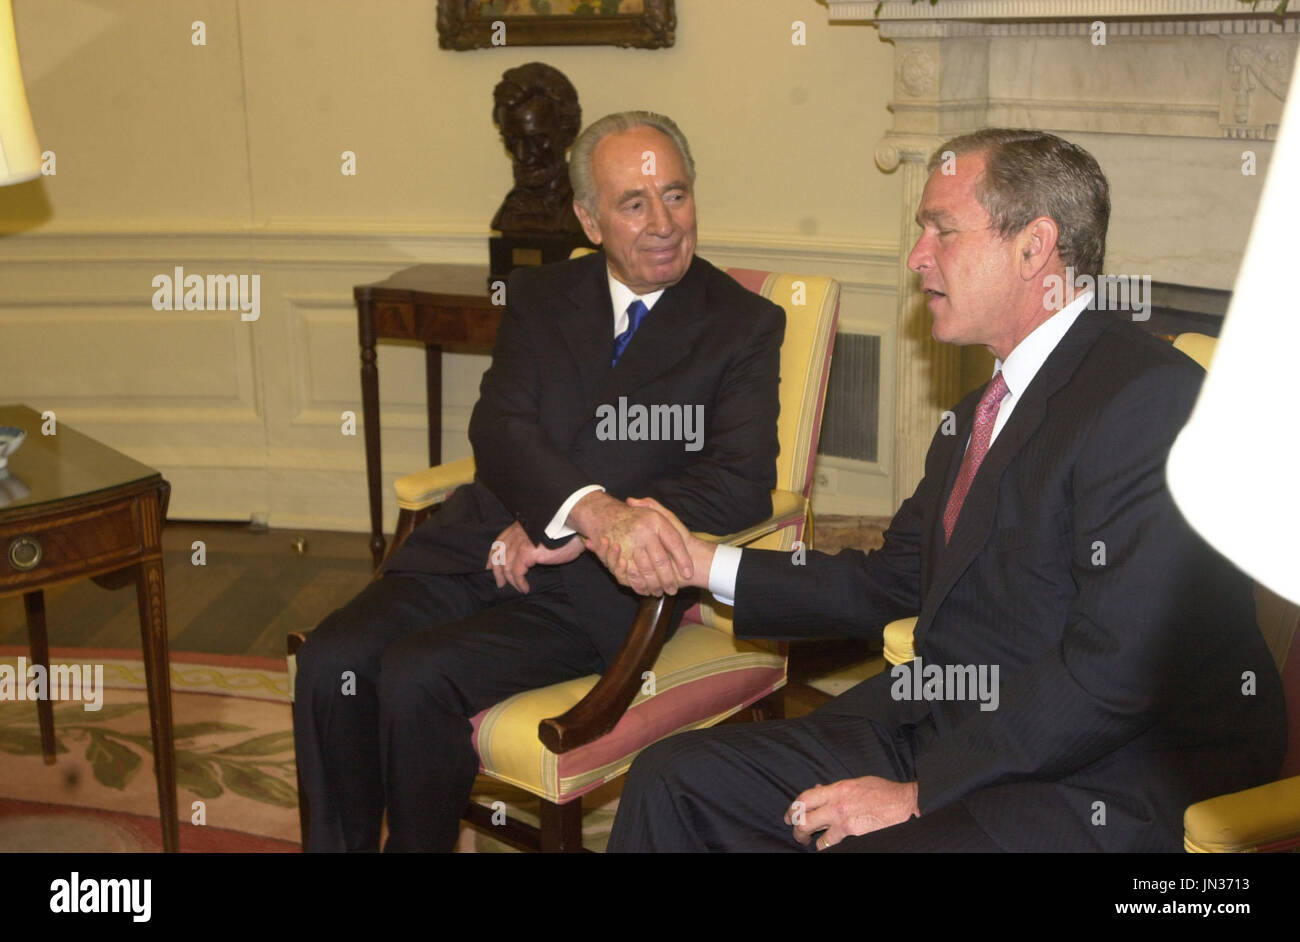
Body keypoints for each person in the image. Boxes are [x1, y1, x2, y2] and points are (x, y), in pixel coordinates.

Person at [603, 128, 1287, 853]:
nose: (916, 257)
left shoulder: (1151, 401)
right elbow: (894, 577)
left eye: (943, 231)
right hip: (948, 713)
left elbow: (1112, 674)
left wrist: (920, 795)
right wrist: (700, 564)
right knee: (677, 778)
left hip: (1107, 772)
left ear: (1034, 247)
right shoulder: (976, 416)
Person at [293, 110, 785, 852]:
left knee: (416, 676)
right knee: (332, 663)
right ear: (589, 219)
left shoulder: (742, 324)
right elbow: (499, 429)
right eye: (634, 203)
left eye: (676, 196)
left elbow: (741, 483)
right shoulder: (540, 296)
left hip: (595, 593)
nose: (663, 223)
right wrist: (580, 509)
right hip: (475, 545)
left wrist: (596, 529)